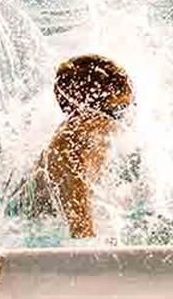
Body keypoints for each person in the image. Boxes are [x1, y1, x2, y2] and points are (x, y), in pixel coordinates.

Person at [14, 54, 134, 239]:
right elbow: (81, 235)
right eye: (118, 111)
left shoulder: (92, 138)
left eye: (131, 106)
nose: (126, 119)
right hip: (23, 227)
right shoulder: (69, 151)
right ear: (83, 113)